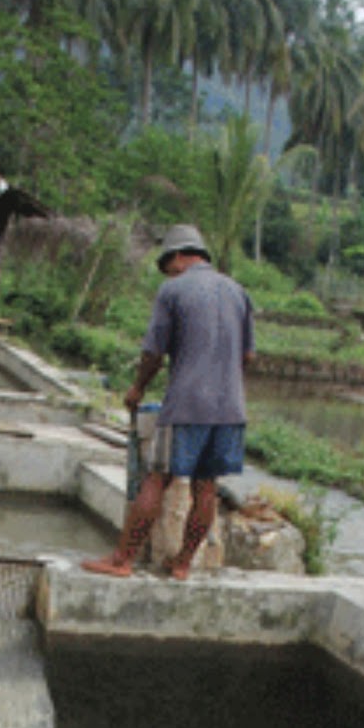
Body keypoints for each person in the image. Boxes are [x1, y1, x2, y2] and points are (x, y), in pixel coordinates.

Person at [82, 223, 255, 581]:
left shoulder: (173, 290)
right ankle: (182, 564)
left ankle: (122, 560)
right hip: (230, 408)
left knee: (156, 478)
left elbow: (153, 353)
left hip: (187, 403)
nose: (169, 274)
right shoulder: (238, 292)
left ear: (177, 256)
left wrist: (137, 389)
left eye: (168, 267)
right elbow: (248, 357)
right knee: (206, 485)